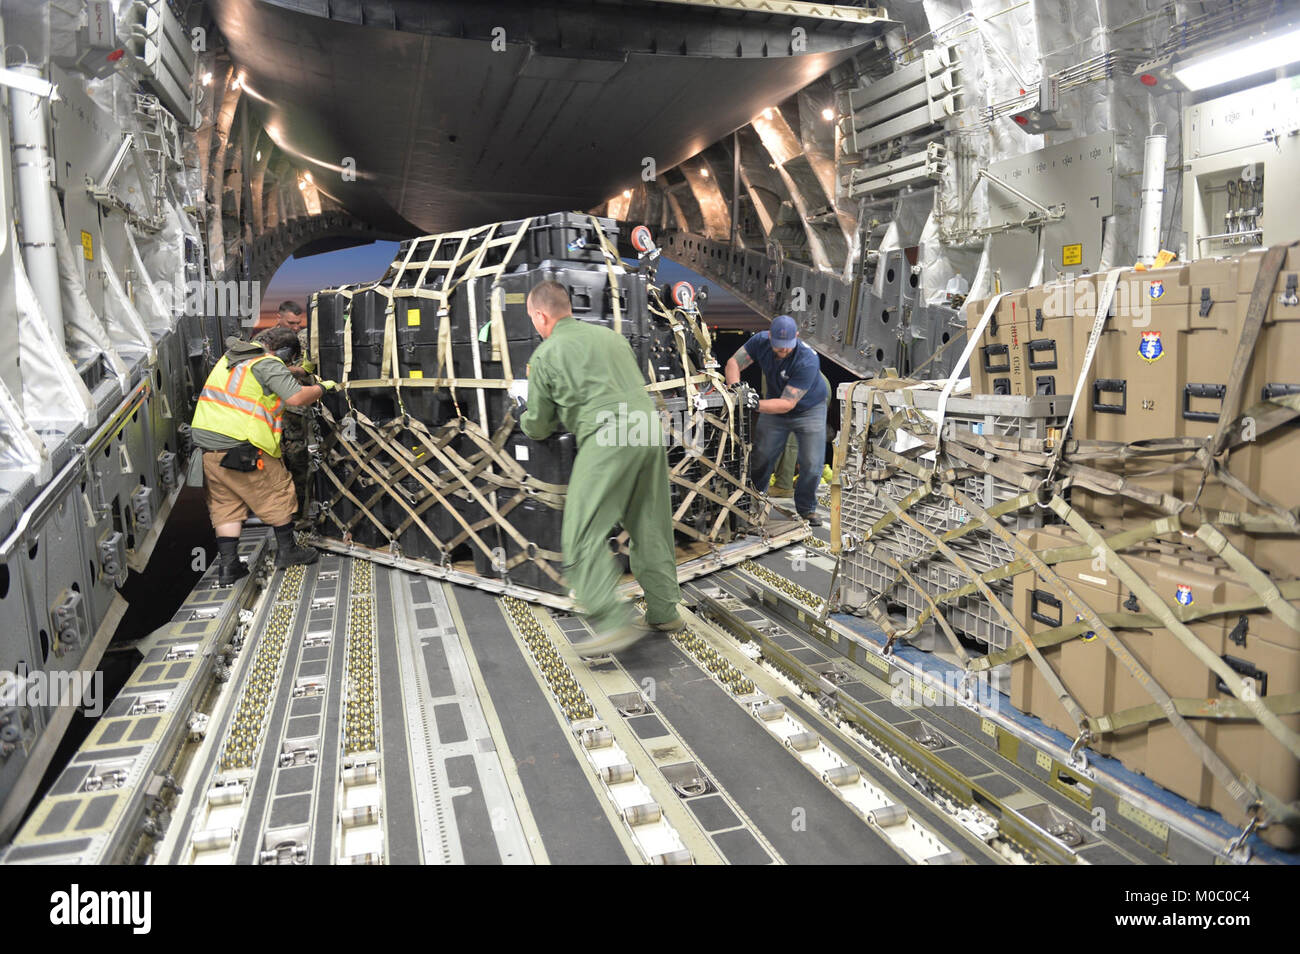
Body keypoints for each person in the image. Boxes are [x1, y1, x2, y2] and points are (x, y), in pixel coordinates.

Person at [517, 280, 683, 656]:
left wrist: (523, 416)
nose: (535, 326)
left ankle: (612, 622)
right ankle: (663, 612)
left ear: (541, 315)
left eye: (533, 319)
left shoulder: (547, 354)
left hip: (609, 436)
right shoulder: (611, 337)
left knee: (581, 532)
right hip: (647, 428)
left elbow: (540, 424)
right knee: (650, 523)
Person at [191, 327, 338, 584]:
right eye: (288, 360)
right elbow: (296, 397)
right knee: (277, 492)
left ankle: (229, 567)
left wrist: (298, 371)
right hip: (242, 447)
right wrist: (323, 388)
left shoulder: (234, 357)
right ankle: (288, 551)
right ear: (281, 353)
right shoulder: (267, 363)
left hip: (210, 449)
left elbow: (266, 373)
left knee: (226, 506)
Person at [725, 314, 829, 525]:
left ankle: (807, 508)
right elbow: (733, 363)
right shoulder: (760, 342)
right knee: (762, 455)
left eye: (787, 346)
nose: (783, 350)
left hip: (809, 409)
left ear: (797, 337)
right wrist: (735, 389)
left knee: (811, 463)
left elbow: (788, 404)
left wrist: (753, 403)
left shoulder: (807, 359)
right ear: (770, 336)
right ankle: (754, 499)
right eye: (778, 345)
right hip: (775, 405)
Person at [275, 300, 314, 510]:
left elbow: (308, 371)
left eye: (298, 323)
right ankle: (280, 514)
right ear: (278, 317)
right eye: (291, 322)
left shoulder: (303, 340)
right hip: (270, 417)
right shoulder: (266, 342)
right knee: (275, 470)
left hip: (295, 415)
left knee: (299, 465)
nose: (296, 327)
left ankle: (300, 514)